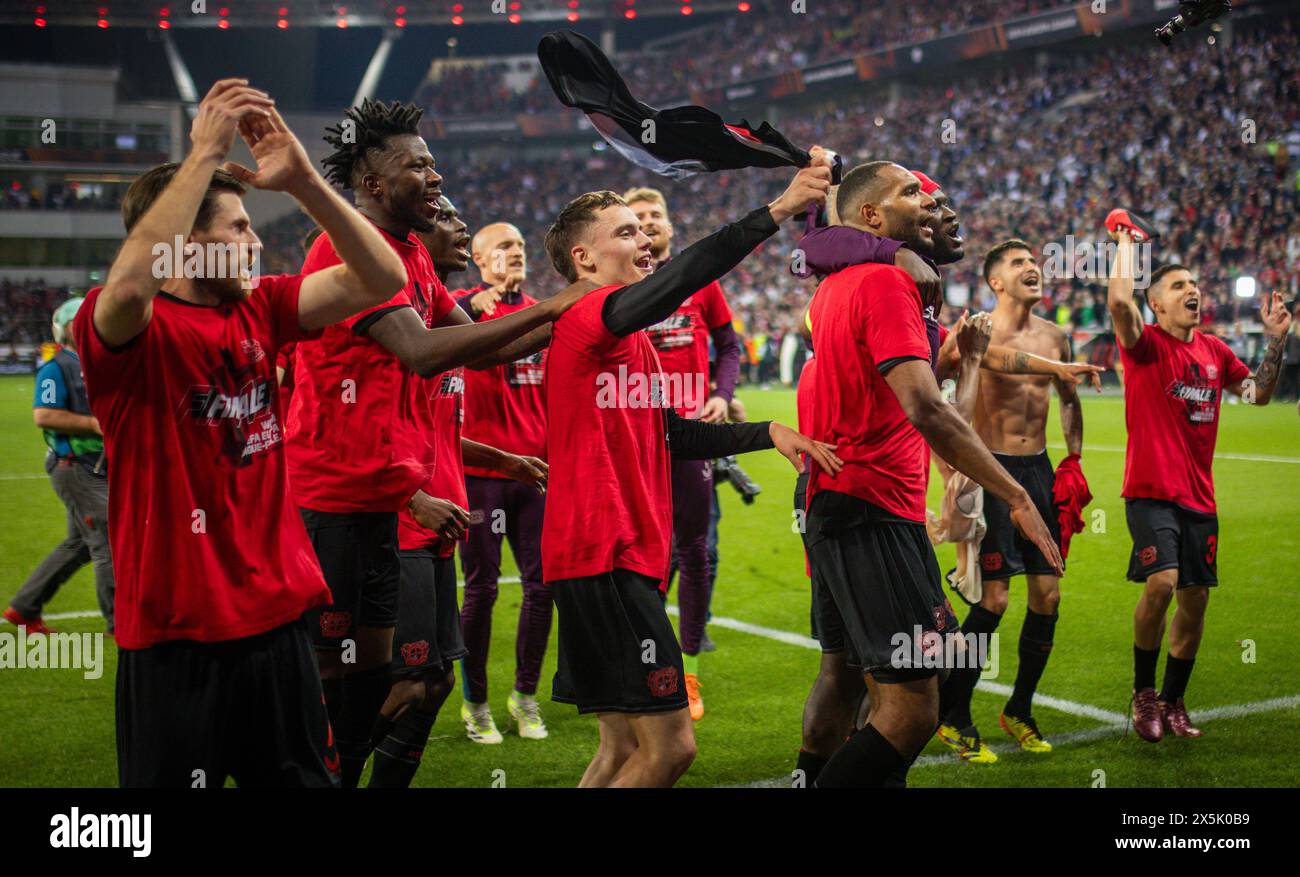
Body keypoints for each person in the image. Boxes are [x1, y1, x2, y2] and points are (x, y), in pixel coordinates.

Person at [73, 79, 410, 787]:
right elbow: (133, 287)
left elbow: (382, 277)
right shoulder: (131, 327)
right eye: (237, 227)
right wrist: (202, 154)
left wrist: (307, 183)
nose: (256, 241)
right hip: (176, 632)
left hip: (278, 618)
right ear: (187, 245)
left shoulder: (261, 307)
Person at [287, 99, 586, 786]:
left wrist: (593, 310)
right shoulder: (347, 248)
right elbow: (423, 352)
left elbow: (479, 352)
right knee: (340, 685)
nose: (436, 176)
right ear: (372, 183)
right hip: (335, 502)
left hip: (382, 502)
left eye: (433, 162)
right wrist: (552, 307)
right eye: (416, 165)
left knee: (373, 689)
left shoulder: (414, 254)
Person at [542, 152, 842, 787]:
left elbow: (669, 433)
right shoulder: (590, 317)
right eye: (625, 232)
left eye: (644, 228)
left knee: (620, 750)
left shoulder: (628, 339)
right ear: (584, 260)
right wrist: (778, 211)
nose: (645, 238)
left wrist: (767, 431)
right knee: (671, 749)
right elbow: (686, 274)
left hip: (606, 558)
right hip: (605, 555)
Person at [804, 161, 1063, 788]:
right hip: (871, 505)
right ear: (872, 218)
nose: (933, 203)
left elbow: (931, 366)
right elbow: (926, 406)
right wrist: (1015, 493)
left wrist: (967, 355)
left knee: (846, 676)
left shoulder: (850, 283)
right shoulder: (884, 282)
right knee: (916, 704)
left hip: (839, 501)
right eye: (913, 193)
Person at [1107, 225, 1292, 741]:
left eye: (1195, 284)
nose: (1193, 291)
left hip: (1200, 500)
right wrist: (1125, 240)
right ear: (1157, 306)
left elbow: (1257, 394)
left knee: (1195, 601)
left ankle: (1173, 701)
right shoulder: (1145, 347)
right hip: (1149, 493)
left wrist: (1277, 339)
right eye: (1178, 286)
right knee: (1162, 584)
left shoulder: (1214, 350)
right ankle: (1144, 694)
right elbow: (1121, 301)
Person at [935, 239, 1092, 763]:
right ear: (995, 281)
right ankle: (953, 714)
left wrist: (1073, 460)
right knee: (994, 600)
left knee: (1048, 595)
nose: (1033, 268)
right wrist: (949, 467)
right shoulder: (974, 331)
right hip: (991, 470)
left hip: (1040, 473)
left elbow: (1068, 402)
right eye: (1019, 263)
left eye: (1035, 261)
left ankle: (1019, 710)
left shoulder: (1056, 336)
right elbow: (930, 386)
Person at [622, 185, 742, 721]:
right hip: (632, 434)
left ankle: (687, 670)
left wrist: (722, 394)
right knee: (637, 554)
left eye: (656, 215)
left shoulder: (699, 281)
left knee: (696, 550)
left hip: (688, 434)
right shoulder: (618, 284)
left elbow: (730, 345)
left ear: (670, 226)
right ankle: (641, 661)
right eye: (637, 218)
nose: (649, 224)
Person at [451, 219, 555, 742]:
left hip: (536, 472)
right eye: (503, 246)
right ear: (479, 257)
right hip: (481, 474)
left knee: (541, 588)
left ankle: (525, 696)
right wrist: (471, 311)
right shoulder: (463, 306)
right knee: (482, 590)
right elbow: (428, 331)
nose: (516, 252)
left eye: (519, 245)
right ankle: (475, 703)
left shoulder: (538, 311)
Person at [5, 297, 114, 636]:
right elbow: (44, 415)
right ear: (69, 327)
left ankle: (24, 608)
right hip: (76, 466)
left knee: (78, 544)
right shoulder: (58, 366)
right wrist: (95, 425)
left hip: (92, 464)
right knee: (107, 539)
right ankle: (120, 623)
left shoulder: (92, 361)